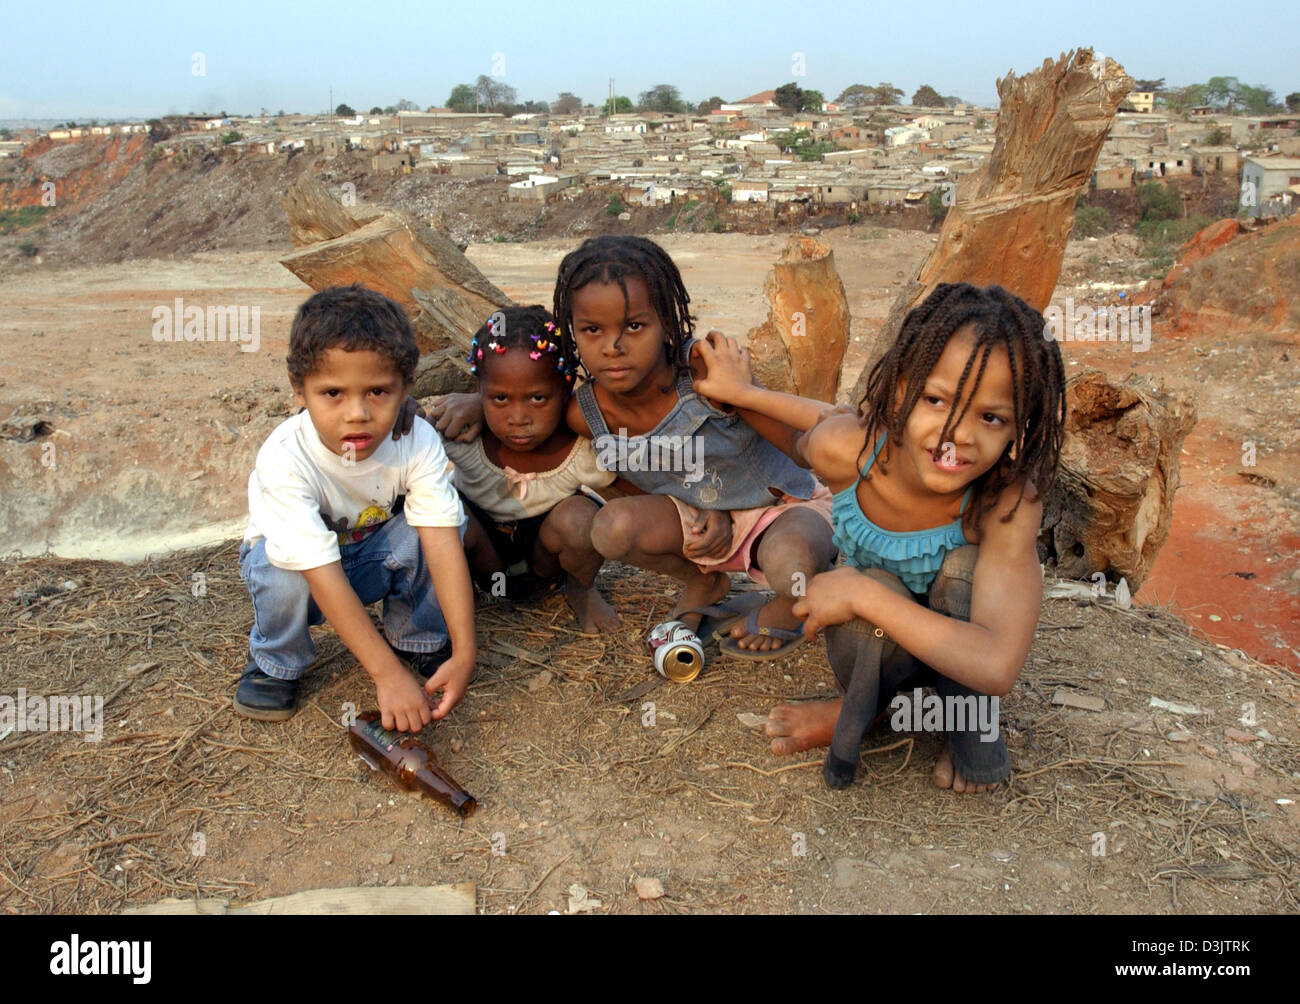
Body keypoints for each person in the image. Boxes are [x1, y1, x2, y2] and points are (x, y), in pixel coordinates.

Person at [691, 282, 1065, 791]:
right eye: (936, 400)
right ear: (902, 392)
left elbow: (997, 665)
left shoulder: (1003, 503)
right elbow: (819, 425)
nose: (958, 434)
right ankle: (860, 711)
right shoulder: (854, 453)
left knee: (956, 572)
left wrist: (859, 591)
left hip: (957, 657)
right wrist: (743, 395)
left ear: (1021, 425)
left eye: (991, 417)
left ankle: (960, 722)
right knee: (875, 594)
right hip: (871, 652)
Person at [559, 235, 835, 657]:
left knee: (787, 563)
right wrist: (473, 401)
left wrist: (742, 392)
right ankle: (703, 579)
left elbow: (800, 448)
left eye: (634, 326)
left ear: (667, 324)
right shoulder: (588, 414)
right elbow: (607, 471)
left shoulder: (705, 372)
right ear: (572, 331)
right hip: (698, 521)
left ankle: (791, 602)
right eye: (592, 330)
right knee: (610, 528)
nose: (613, 347)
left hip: (781, 508)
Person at [236, 284, 475, 733]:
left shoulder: (416, 440)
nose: (357, 413)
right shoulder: (284, 457)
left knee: (431, 528)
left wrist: (465, 652)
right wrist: (386, 676)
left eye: (378, 392)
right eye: (333, 394)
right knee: (277, 565)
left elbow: (443, 546)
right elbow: (319, 569)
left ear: (407, 388)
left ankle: (418, 635)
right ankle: (276, 660)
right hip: (305, 574)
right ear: (299, 390)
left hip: (364, 560)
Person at [438, 305, 619, 632]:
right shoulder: (461, 437)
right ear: (479, 392)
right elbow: (401, 447)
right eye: (500, 399)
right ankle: (461, 595)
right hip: (486, 574)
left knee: (581, 518)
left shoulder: (580, 451)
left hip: (545, 573)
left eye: (537, 399)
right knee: (444, 513)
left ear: (566, 392)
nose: (518, 417)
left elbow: (626, 491)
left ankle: (582, 589)